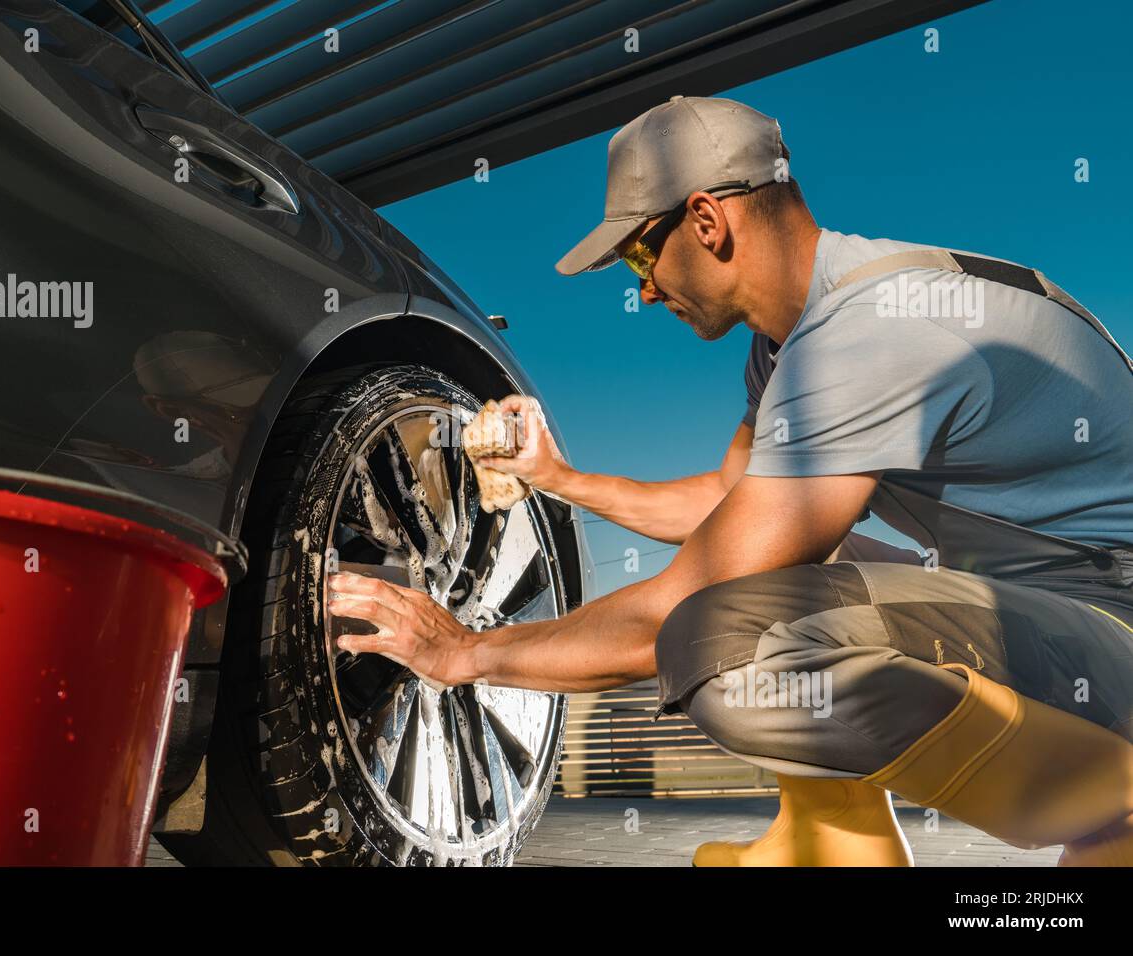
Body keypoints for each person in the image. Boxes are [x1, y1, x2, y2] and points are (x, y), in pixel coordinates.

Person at [328, 96, 1133, 866]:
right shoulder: (791, 343)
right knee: (777, 571)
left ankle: (1107, 807)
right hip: (1060, 606)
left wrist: (467, 654)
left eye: (640, 253)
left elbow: (688, 599)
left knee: (723, 642)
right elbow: (732, 506)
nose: (643, 287)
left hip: (1113, 625)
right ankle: (838, 844)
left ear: (708, 220)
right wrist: (560, 479)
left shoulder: (867, 334)